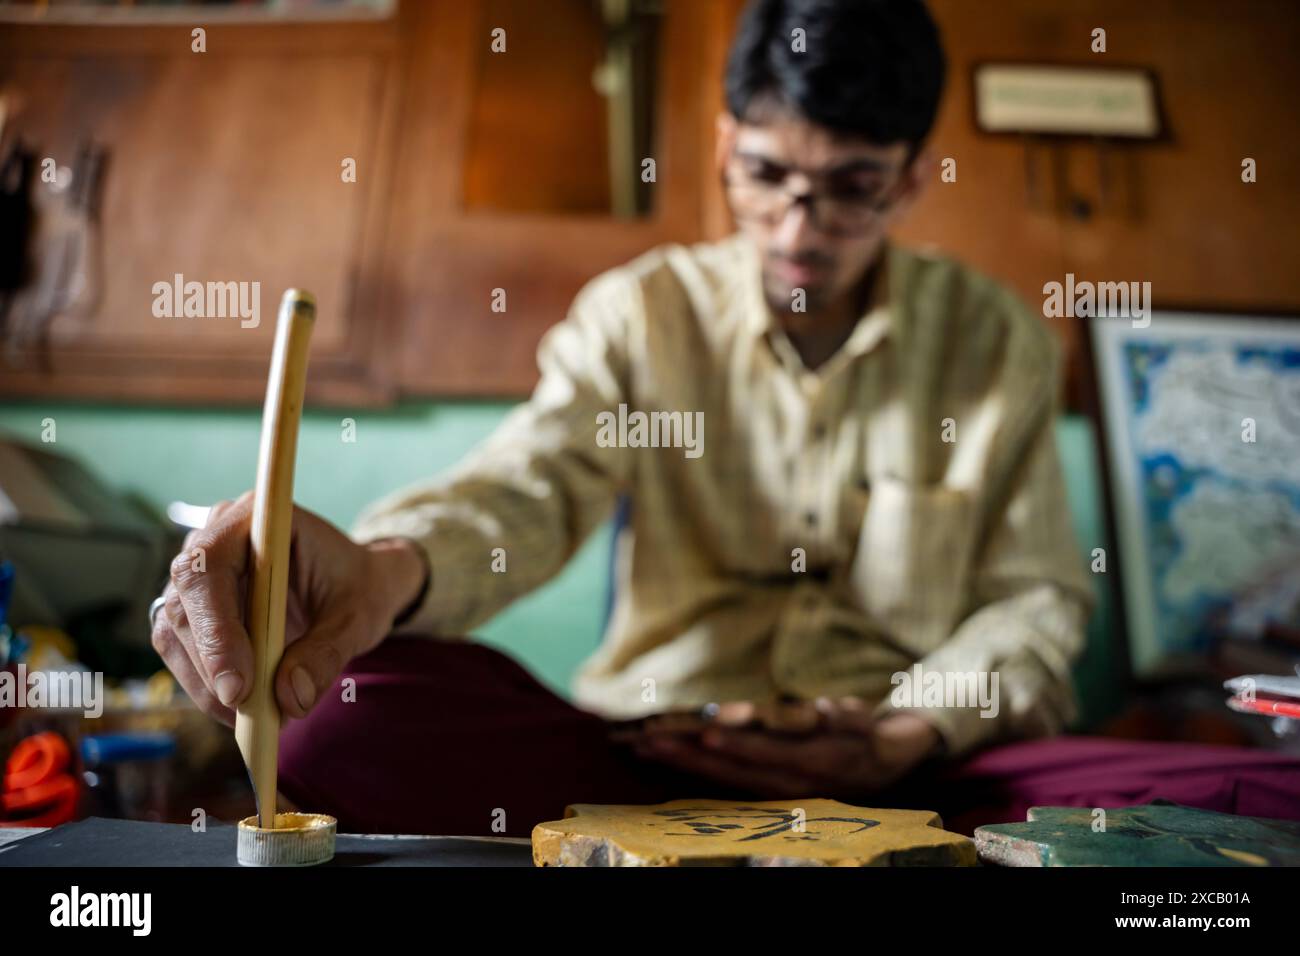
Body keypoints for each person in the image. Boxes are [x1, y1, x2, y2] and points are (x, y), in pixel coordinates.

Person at [150, 0, 1300, 837]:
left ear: (909, 180)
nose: (800, 227)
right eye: (765, 175)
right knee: (344, 713)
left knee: (1266, 790)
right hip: (641, 757)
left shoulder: (991, 338)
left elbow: (1037, 599)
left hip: (910, 769)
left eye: (850, 186)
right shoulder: (640, 314)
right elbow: (525, 490)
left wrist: (903, 729)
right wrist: (386, 566)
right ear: (720, 150)